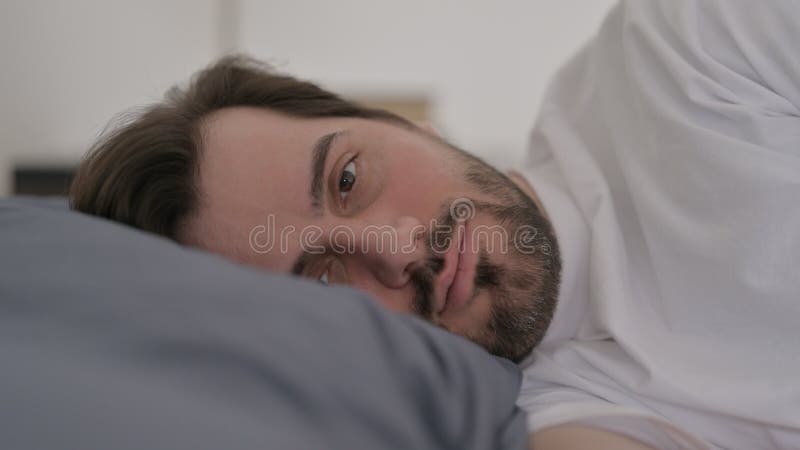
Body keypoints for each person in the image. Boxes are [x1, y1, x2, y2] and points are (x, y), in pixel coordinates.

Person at [70, 0, 799, 448]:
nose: (394, 252)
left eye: (348, 178)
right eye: (323, 277)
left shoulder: (688, 51)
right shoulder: (563, 412)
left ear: (399, 122)